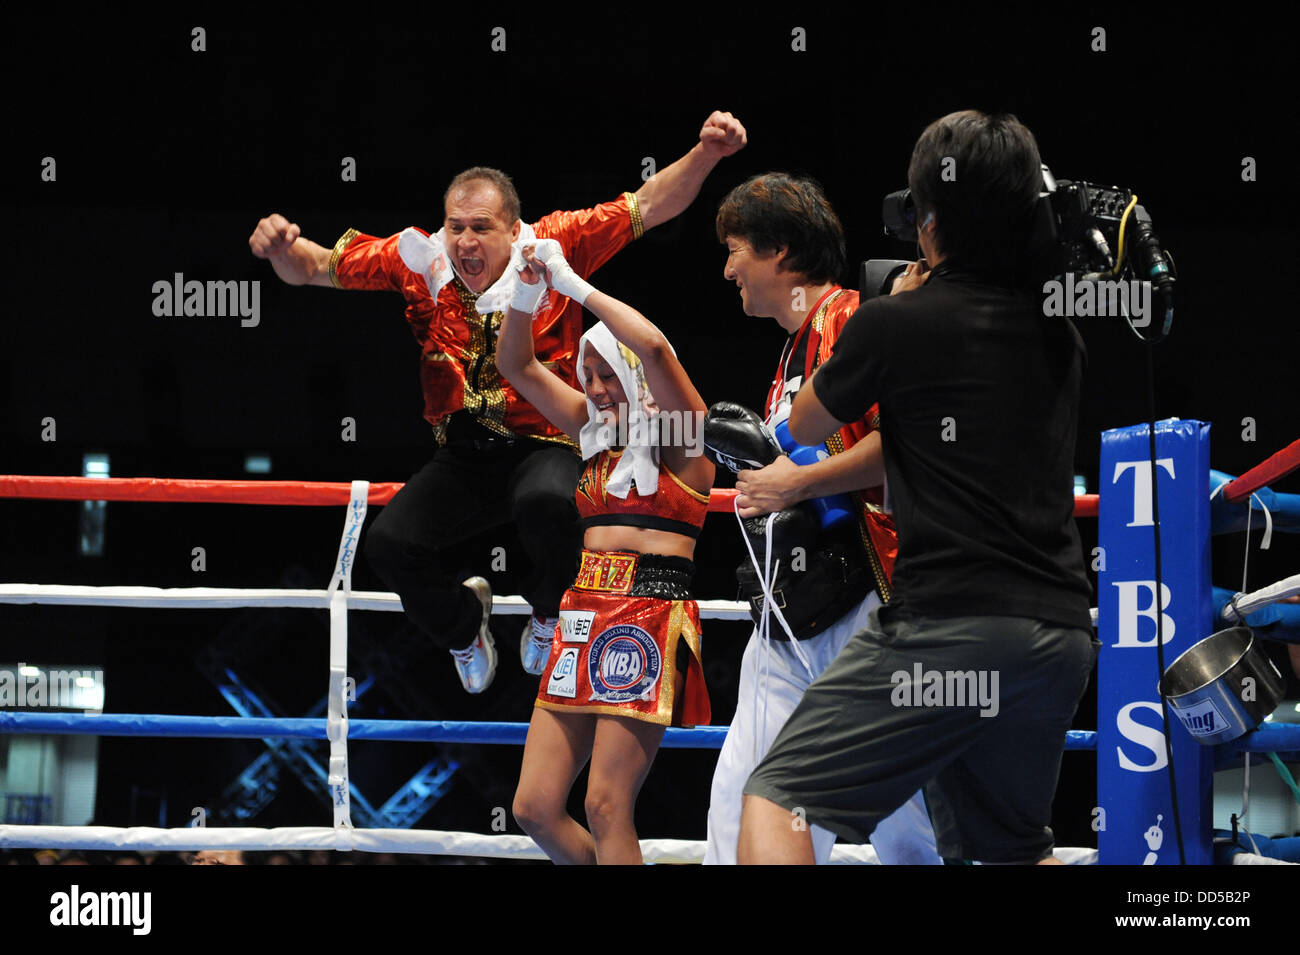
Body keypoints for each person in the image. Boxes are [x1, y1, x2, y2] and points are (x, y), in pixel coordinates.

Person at [247, 112, 746, 693]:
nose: (464, 242)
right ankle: (463, 626)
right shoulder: (417, 260)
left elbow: (650, 203)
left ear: (514, 230)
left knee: (547, 504)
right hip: (462, 454)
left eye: (480, 228)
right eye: (455, 226)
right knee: (389, 543)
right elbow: (312, 267)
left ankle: (545, 610)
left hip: (549, 441)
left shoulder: (556, 245)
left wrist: (708, 151)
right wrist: (280, 247)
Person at [738, 111, 1097, 865]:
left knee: (778, 801)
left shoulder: (896, 323)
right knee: (1015, 848)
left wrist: (895, 305)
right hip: (1057, 636)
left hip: (949, 627)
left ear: (928, 224)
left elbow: (804, 421)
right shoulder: (1060, 331)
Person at [704, 173, 939, 865]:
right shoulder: (792, 347)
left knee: (909, 827)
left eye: (735, 248)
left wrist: (794, 480)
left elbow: (903, 448)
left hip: (865, 609)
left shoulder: (846, 322)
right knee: (737, 805)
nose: (726, 269)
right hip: (787, 617)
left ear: (779, 251)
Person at [498, 240, 714, 864]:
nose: (593, 389)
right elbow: (517, 365)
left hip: (647, 615)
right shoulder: (594, 437)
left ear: (633, 379)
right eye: (585, 376)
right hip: (581, 615)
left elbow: (655, 348)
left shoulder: (684, 444)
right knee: (534, 807)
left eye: (604, 375)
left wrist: (575, 285)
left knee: (605, 805)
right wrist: (527, 292)